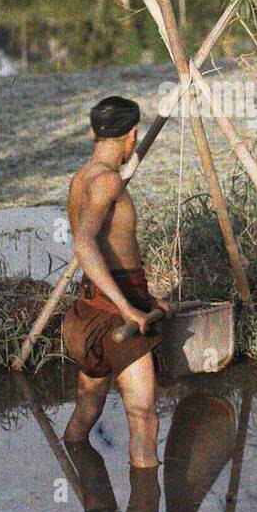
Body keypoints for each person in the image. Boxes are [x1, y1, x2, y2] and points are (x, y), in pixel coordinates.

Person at [60, 95, 169, 468]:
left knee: (85, 412)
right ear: (132, 134)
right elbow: (84, 243)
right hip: (115, 318)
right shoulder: (107, 181)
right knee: (143, 418)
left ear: (93, 132)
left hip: (88, 313)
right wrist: (128, 308)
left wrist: (146, 300)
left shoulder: (81, 178)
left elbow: (111, 252)